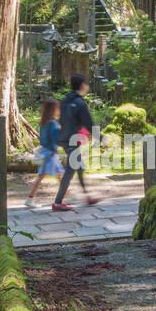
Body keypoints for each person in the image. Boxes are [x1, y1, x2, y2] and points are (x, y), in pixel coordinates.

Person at [52, 73, 101, 211]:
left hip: (63, 138)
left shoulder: (66, 100)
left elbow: (62, 120)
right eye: (86, 83)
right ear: (82, 85)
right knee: (70, 170)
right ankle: (57, 202)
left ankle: (87, 197)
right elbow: (89, 124)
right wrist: (101, 138)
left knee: (79, 167)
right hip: (71, 140)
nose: (87, 86)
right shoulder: (79, 103)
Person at [26, 99, 62, 207]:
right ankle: (63, 197)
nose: (59, 110)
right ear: (53, 110)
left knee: (48, 176)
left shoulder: (43, 123)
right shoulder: (53, 123)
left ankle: (30, 199)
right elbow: (56, 138)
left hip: (42, 151)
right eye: (57, 108)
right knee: (60, 175)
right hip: (50, 154)